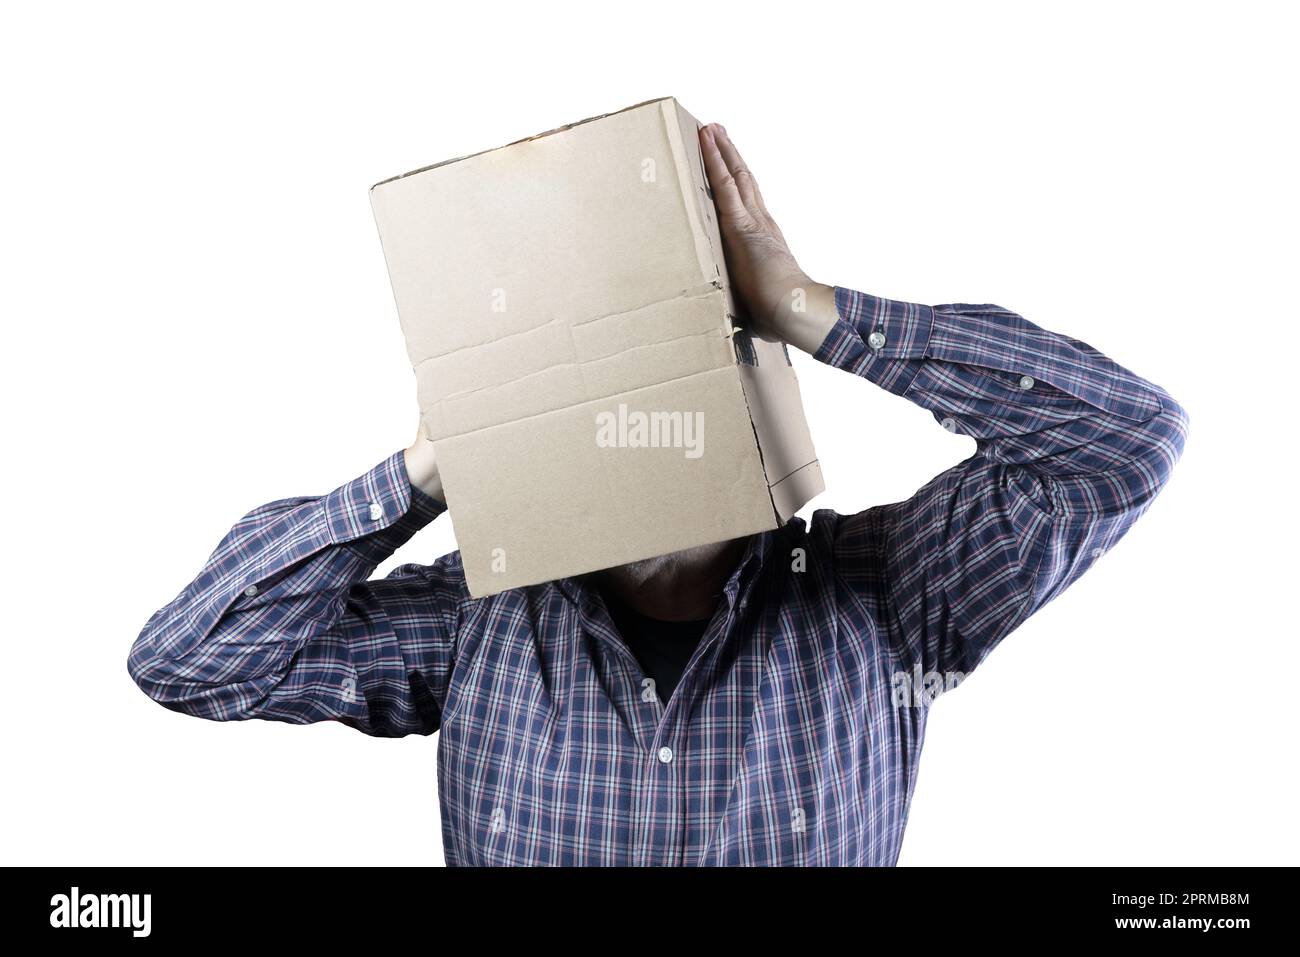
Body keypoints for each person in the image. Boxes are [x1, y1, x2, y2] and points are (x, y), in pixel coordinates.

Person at [129, 124, 1187, 865]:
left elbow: (1121, 442)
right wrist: (423, 475)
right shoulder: (477, 620)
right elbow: (189, 664)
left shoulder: (888, 594)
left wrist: (807, 307)